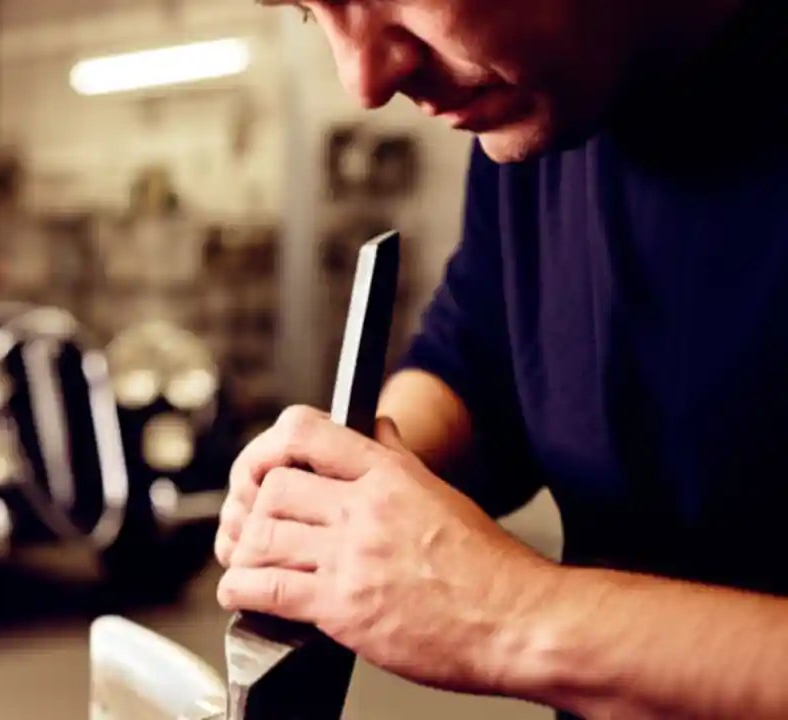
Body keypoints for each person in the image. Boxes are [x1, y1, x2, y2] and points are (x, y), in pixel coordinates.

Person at [215, 1, 788, 717]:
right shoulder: (552, 102)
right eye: (311, 13)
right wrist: (351, 486)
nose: (364, 81)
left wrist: (511, 615)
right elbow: (482, 358)